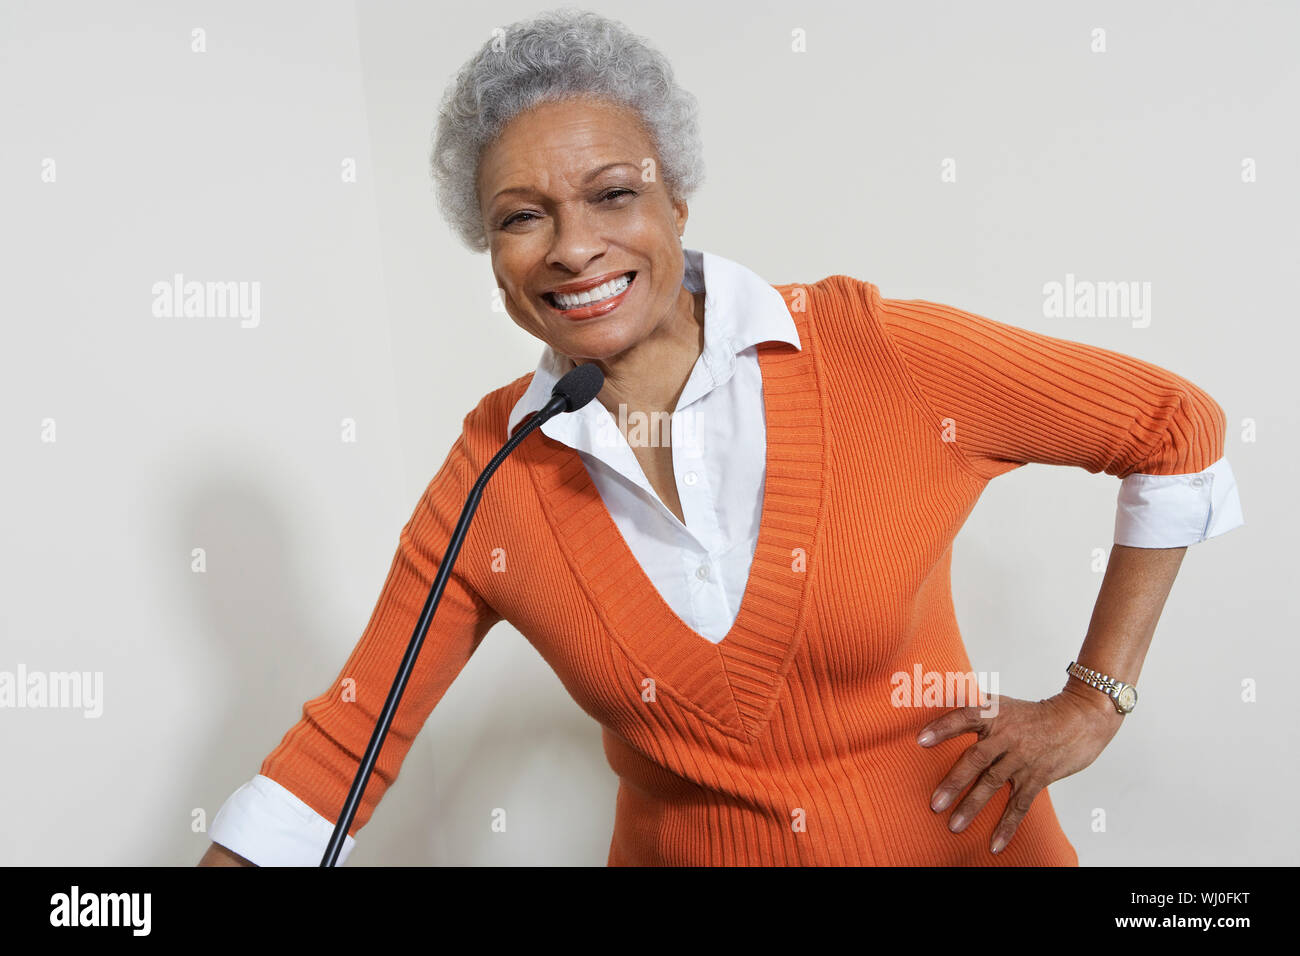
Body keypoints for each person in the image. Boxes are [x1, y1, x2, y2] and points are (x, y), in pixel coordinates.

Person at [198, 9, 1243, 867]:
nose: (574, 247)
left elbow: (1172, 425)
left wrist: (1093, 701)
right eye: (522, 216)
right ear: (490, 249)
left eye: (612, 194)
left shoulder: (869, 353)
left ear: (675, 199)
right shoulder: (496, 468)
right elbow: (346, 742)